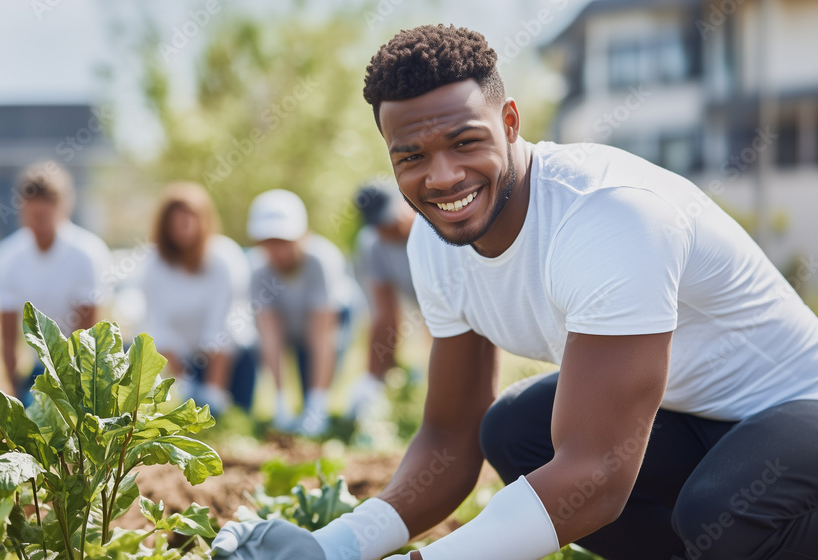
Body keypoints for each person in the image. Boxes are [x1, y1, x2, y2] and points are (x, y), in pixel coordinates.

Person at [213, 24, 818, 560]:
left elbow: (599, 475)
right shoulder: (435, 244)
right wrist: (331, 547)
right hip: (694, 420)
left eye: (464, 141)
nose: (442, 176)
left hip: (798, 409)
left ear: (510, 122)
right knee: (514, 431)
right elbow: (450, 440)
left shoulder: (610, 215)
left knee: (721, 513)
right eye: (412, 156)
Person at [0, 161, 110, 406]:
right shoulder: (7, 258)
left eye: (45, 215)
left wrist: (82, 393)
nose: (39, 223)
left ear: (63, 207)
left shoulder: (87, 254)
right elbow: (8, 338)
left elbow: (88, 335)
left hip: (82, 370)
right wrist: (14, 393)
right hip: (40, 370)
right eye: (34, 215)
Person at [140, 182, 257, 414]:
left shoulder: (224, 259)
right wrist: (185, 383)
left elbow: (221, 326)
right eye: (176, 219)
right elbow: (159, 328)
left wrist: (214, 391)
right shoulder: (153, 265)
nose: (184, 225)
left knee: (236, 411)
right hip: (185, 361)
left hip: (232, 359)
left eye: (190, 217)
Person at [247, 189, 354, 437]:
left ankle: (318, 406)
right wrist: (280, 397)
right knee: (291, 402)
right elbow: (270, 337)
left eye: (284, 241)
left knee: (312, 392)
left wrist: (317, 404)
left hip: (327, 325)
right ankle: (291, 408)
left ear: (303, 235)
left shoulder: (322, 261)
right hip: (290, 329)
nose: (278, 250)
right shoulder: (258, 271)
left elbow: (323, 335)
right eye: (270, 242)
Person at [350, 180, 418, 417]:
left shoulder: (432, 229)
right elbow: (385, 316)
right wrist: (372, 378)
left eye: (389, 219)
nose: (387, 228)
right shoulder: (372, 245)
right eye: (379, 224)